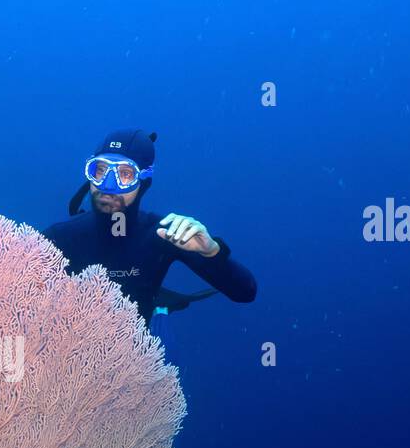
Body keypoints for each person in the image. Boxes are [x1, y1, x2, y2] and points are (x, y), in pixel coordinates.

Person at [46, 128, 256, 323]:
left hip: (132, 354)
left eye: (125, 174)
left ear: (144, 182)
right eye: (99, 171)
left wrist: (211, 252)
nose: (109, 185)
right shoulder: (62, 236)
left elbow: (245, 292)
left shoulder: (163, 234)